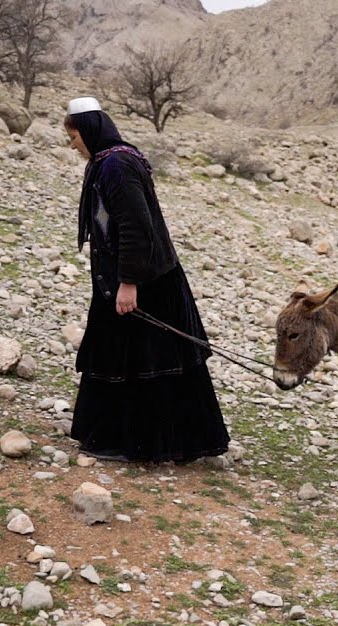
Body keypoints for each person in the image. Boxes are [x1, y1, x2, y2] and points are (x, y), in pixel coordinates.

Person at [64, 97, 229, 463]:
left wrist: (128, 282)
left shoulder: (116, 166)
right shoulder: (114, 160)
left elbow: (136, 227)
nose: (73, 146)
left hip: (143, 283)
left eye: (74, 138)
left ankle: (139, 443)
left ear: (89, 132)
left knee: (144, 360)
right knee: (130, 358)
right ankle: (124, 439)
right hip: (132, 278)